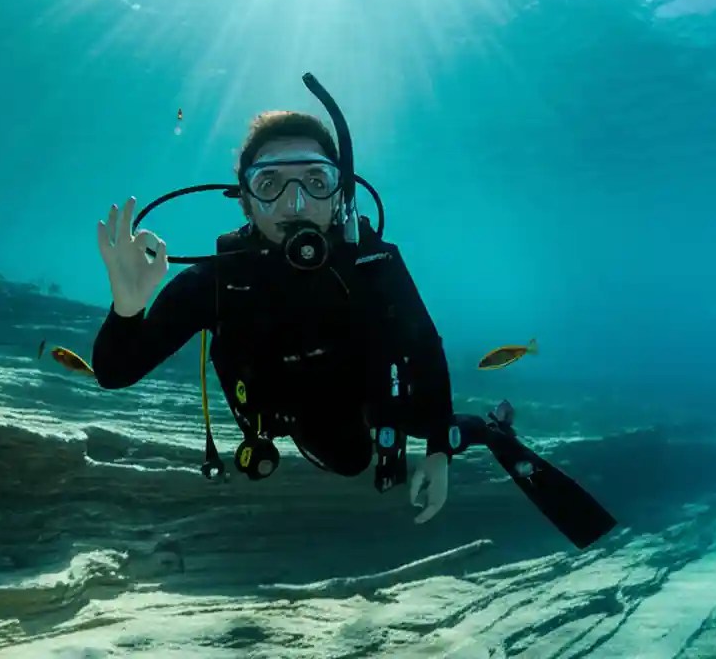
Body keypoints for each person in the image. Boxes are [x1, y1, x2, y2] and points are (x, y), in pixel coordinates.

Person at [91, 74, 615, 547]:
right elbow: (115, 372)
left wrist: (437, 448)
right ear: (245, 199)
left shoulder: (374, 262)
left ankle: (488, 429)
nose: (295, 205)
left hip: (376, 397)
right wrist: (128, 308)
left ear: (341, 193)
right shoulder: (217, 281)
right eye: (270, 184)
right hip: (295, 416)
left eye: (315, 183)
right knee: (350, 463)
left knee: (417, 430)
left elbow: (423, 346)